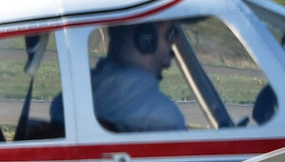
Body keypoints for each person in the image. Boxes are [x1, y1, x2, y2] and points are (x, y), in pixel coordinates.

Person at [50, 21, 186, 133]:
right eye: (170, 34)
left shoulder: (65, 102)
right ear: (147, 39)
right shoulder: (165, 118)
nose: (169, 61)